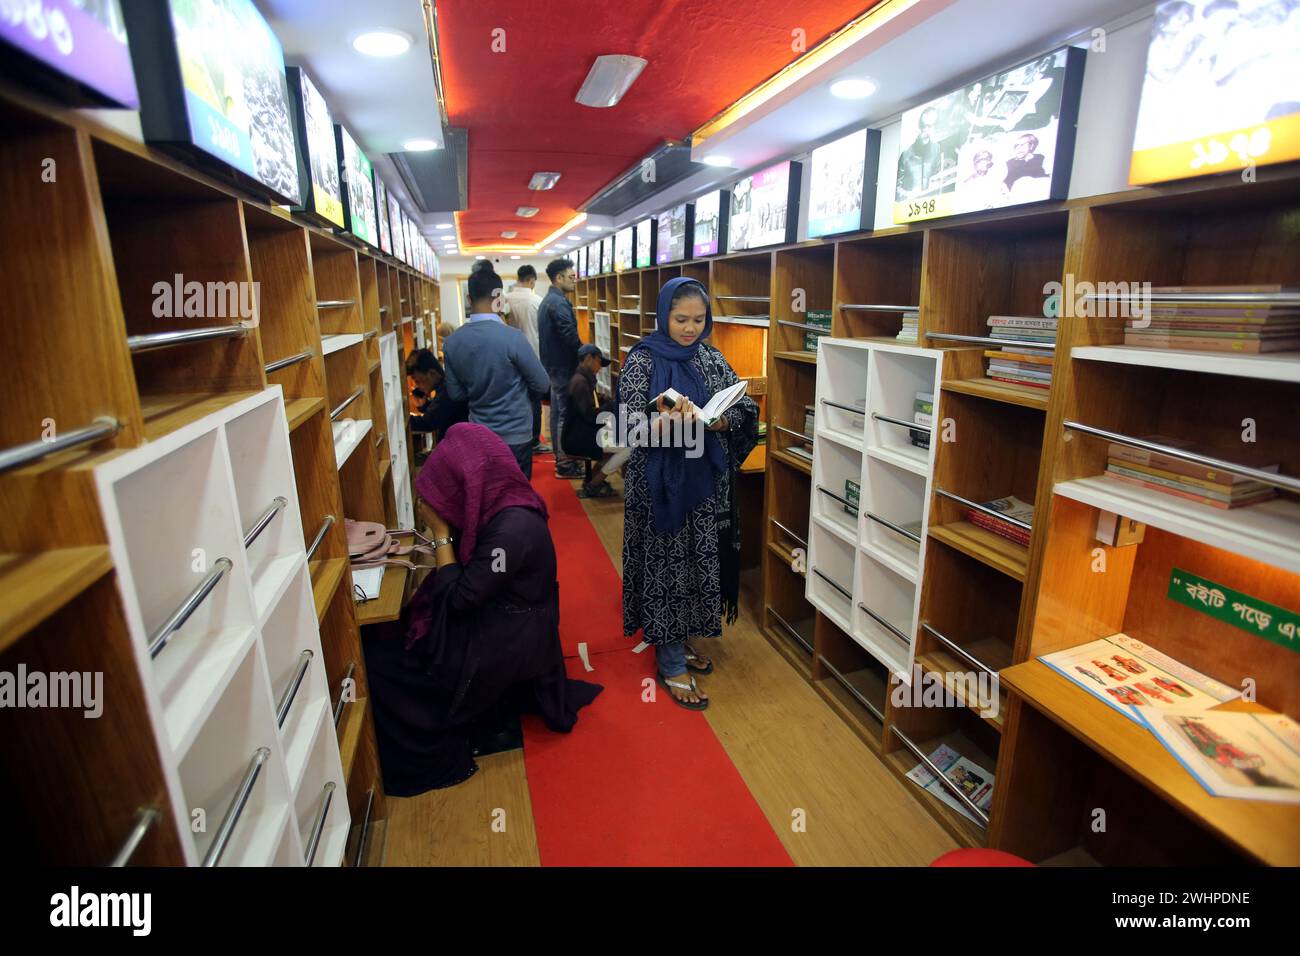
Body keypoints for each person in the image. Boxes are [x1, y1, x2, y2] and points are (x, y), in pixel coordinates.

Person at [363, 423, 602, 794]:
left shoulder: (511, 531)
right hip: (508, 621)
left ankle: (423, 752)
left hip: (506, 637)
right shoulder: (504, 506)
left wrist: (441, 531)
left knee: (383, 661)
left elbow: (459, 600)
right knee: (391, 634)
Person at [618, 278, 759, 709]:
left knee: (697, 563)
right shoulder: (642, 361)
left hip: (702, 487)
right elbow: (626, 427)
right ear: (663, 315)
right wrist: (665, 424)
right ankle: (670, 658)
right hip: (659, 488)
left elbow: (744, 406)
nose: (690, 328)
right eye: (681, 319)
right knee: (666, 567)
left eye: (699, 320)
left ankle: (680, 639)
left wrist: (717, 422)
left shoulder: (711, 356)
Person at [441, 265, 550, 477]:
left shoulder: (452, 342)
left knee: (486, 496)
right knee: (517, 499)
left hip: (479, 435)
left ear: (468, 298)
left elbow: (456, 394)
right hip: (516, 434)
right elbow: (542, 384)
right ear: (499, 297)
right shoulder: (513, 338)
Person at [537, 257, 585, 479]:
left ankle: (561, 458)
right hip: (563, 367)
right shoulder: (557, 303)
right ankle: (564, 465)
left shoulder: (549, 300)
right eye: (571, 277)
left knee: (557, 412)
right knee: (564, 413)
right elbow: (569, 335)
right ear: (559, 278)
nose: (575, 281)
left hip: (553, 366)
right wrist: (585, 354)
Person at [563, 344, 630, 499]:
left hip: (581, 433)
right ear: (588, 359)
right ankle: (594, 485)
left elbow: (592, 403)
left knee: (618, 445)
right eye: (599, 363)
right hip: (580, 438)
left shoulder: (581, 379)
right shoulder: (580, 383)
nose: (600, 368)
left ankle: (591, 481)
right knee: (628, 447)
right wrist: (613, 406)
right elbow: (591, 415)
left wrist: (607, 400)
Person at [505, 265, 550, 454]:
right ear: (532, 280)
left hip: (508, 358)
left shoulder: (505, 300)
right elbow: (544, 334)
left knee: (513, 399)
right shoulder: (537, 301)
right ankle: (533, 441)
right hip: (533, 357)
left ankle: (515, 438)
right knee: (534, 401)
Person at [405, 348, 468, 441]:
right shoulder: (446, 385)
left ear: (432, 373)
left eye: (418, 381)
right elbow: (441, 412)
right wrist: (425, 405)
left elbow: (428, 423)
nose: (417, 386)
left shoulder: (448, 391)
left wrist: (400, 420)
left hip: (457, 448)